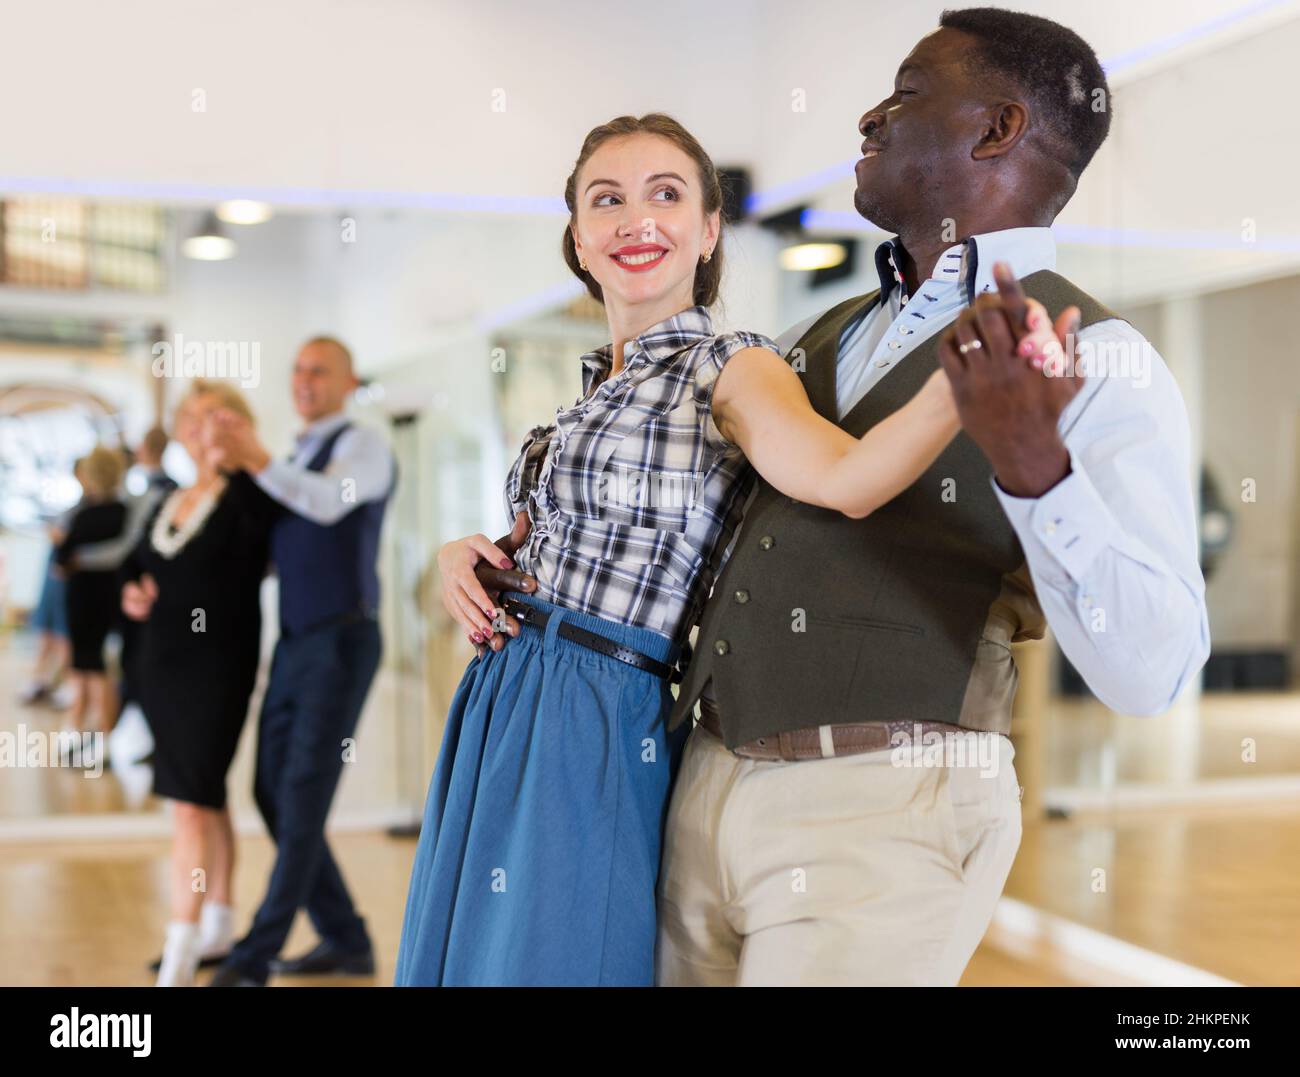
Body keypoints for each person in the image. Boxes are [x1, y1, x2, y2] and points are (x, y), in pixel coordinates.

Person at [393, 113, 1060, 987]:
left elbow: (848, 478)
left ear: (709, 230)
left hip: (594, 709)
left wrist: (963, 382)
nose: (637, 220)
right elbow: (543, 548)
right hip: (503, 697)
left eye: (666, 195)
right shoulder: (594, 392)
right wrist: (464, 558)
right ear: (579, 240)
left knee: (546, 956)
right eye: (609, 201)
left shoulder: (731, 364)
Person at [639, 9, 1209, 985]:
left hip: (882, 813)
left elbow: (1153, 669)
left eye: (905, 92)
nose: (869, 116)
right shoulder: (814, 336)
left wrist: (1039, 470)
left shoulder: (1101, 358)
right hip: (702, 789)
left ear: (995, 130)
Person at [203, 336, 395, 987]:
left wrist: (255, 459)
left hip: (342, 640)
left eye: (319, 370)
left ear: (348, 381)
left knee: (303, 797)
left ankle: (252, 959)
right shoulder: (290, 454)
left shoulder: (364, 446)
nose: (304, 380)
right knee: (269, 790)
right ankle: (347, 938)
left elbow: (327, 500)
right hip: (293, 641)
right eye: (298, 370)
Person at [119, 383, 279, 987]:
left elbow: (251, 557)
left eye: (215, 418)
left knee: (188, 804)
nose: (199, 428)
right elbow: (138, 565)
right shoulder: (172, 499)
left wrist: (240, 464)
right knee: (205, 801)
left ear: (238, 426)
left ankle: (179, 952)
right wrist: (132, 589)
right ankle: (216, 926)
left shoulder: (250, 498)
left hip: (216, 668)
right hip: (160, 666)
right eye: (190, 418)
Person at [75, 426, 177, 722]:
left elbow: (134, 544)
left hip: (141, 585)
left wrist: (80, 557)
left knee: (118, 658)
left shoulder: (160, 491)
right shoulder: (139, 491)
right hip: (128, 582)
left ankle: (125, 724)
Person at [53, 447, 128, 756]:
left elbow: (61, 559)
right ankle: (101, 733)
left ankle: (81, 727)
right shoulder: (123, 512)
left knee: (86, 664)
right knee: (101, 667)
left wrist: (71, 554)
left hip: (83, 595)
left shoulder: (82, 516)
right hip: (111, 593)